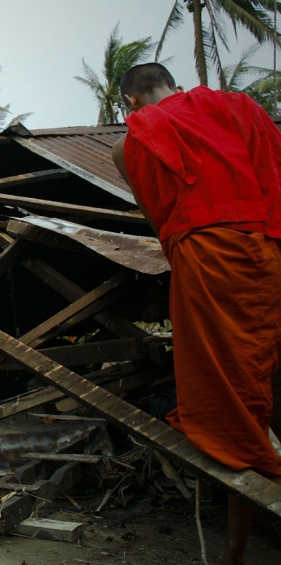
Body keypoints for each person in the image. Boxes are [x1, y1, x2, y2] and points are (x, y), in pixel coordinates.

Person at [111, 63, 281, 565]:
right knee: (259, 381)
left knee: (228, 399)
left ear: (130, 103)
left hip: (207, 258)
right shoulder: (241, 108)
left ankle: (234, 548)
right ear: (174, 86)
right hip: (270, 250)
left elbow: (160, 221)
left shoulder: (132, 142)